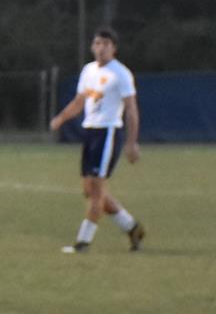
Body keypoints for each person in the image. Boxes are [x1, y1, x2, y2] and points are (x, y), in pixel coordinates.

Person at [48, 27, 146, 254]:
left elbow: (131, 109)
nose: (101, 48)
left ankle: (83, 243)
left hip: (108, 133)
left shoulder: (120, 74)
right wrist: (61, 118)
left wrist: (132, 142)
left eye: (106, 44)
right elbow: (80, 101)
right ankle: (132, 227)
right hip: (90, 132)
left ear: (114, 48)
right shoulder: (88, 71)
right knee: (90, 191)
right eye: (98, 44)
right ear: (93, 47)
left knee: (97, 192)